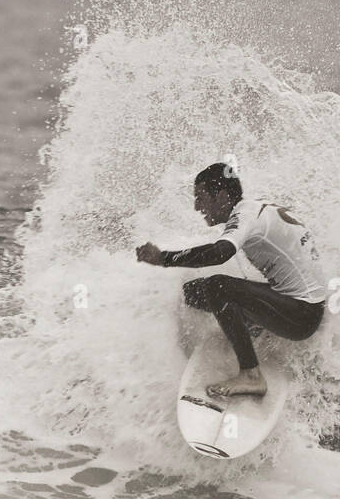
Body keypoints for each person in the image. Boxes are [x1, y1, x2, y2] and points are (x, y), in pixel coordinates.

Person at [136, 163, 326, 397]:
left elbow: (220, 253)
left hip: (302, 315)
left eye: (201, 198)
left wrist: (164, 258)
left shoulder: (245, 215)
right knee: (194, 292)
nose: (197, 207)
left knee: (218, 286)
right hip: (294, 303)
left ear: (223, 196)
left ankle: (251, 375)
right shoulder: (255, 209)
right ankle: (251, 326)